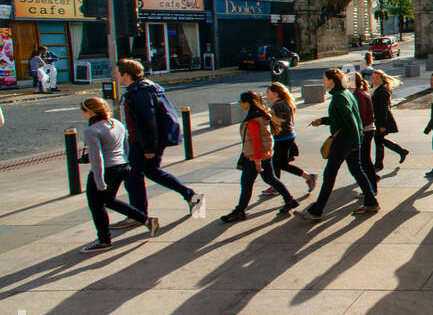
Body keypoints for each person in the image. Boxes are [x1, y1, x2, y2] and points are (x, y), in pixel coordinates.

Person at [115, 58, 204, 223]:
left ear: (125, 74)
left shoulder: (139, 92)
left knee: (133, 177)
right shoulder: (146, 88)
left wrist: (149, 148)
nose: (115, 75)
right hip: (147, 141)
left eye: (117, 72)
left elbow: (148, 121)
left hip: (143, 142)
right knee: (151, 171)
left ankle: (138, 215)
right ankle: (191, 195)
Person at [297, 68, 378, 221]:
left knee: (330, 174)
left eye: (324, 78)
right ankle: (371, 201)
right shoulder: (346, 93)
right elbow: (345, 118)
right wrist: (323, 120)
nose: (323, 81)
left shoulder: (339, 97)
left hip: (344, 140)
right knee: (356, 170)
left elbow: (350, 120)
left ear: (331, 80)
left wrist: (355, 142)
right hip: (351, 138)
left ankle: (317, 210)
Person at [78, 97, 158, 252]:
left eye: (82, 110)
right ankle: (146, 220)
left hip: (105, 170)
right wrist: (125, 162)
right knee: (110, 200)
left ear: (89, 111)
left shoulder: (91, 130)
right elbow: (125, 147)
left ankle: (104, 240)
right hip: (121, 166)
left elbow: (97, 157)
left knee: (96, 206)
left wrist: (99, 181)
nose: (81, 113)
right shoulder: (116, 124)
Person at [222, 92, 297, 222]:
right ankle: (289, 200)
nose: (239, 104)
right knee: (271, 179)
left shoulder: (253, 120)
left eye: (241, 101)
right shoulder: (261, 115)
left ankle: (239, 211)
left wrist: (257, 161)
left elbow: (256, 142)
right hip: (264, 156)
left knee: (246, 184)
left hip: (255, 158)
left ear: (248, 103)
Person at [263, 82, 316, 198]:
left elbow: (275, 122)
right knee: (276, 163)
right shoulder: (282, 103)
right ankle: (275, 185)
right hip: (286, 137)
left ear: (275, 93)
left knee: (281, 164)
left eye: (268, 92)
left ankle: (309, 177)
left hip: (282, 138)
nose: (266, 94)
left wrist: (265, 112)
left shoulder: (278, 106)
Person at [370, 69, 409, 171]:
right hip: (379, 119)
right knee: (379, 140)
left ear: (382, 79)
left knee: (379, 140)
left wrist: (382, 125)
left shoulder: (382, 91)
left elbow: (383, 110)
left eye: (377, 78)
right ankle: (400, 152)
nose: (374, 80)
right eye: (373, 78)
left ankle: (379, 164)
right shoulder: (376, 89)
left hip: (384, 120)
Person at [352, 74, 380, 191]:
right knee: (364, 160)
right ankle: (372, 183)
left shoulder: (358, 95)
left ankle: (371, 187)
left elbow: (361, 116)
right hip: (367, 129)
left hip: (365, 130)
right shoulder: (360, 93)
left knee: (364, 161)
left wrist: (357, 131)